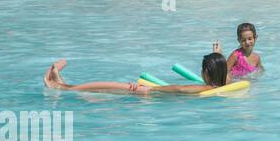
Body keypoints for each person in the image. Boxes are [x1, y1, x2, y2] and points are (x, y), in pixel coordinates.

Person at [43, 54, 230, 95]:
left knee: (103, 87)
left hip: (146, 93)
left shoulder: (204, 88)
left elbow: (181, 88)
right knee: (101, 92)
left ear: (206, 72)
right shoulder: (221, 88)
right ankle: (63, 84)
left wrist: (153, 87)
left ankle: (58, 85)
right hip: (149, 95)